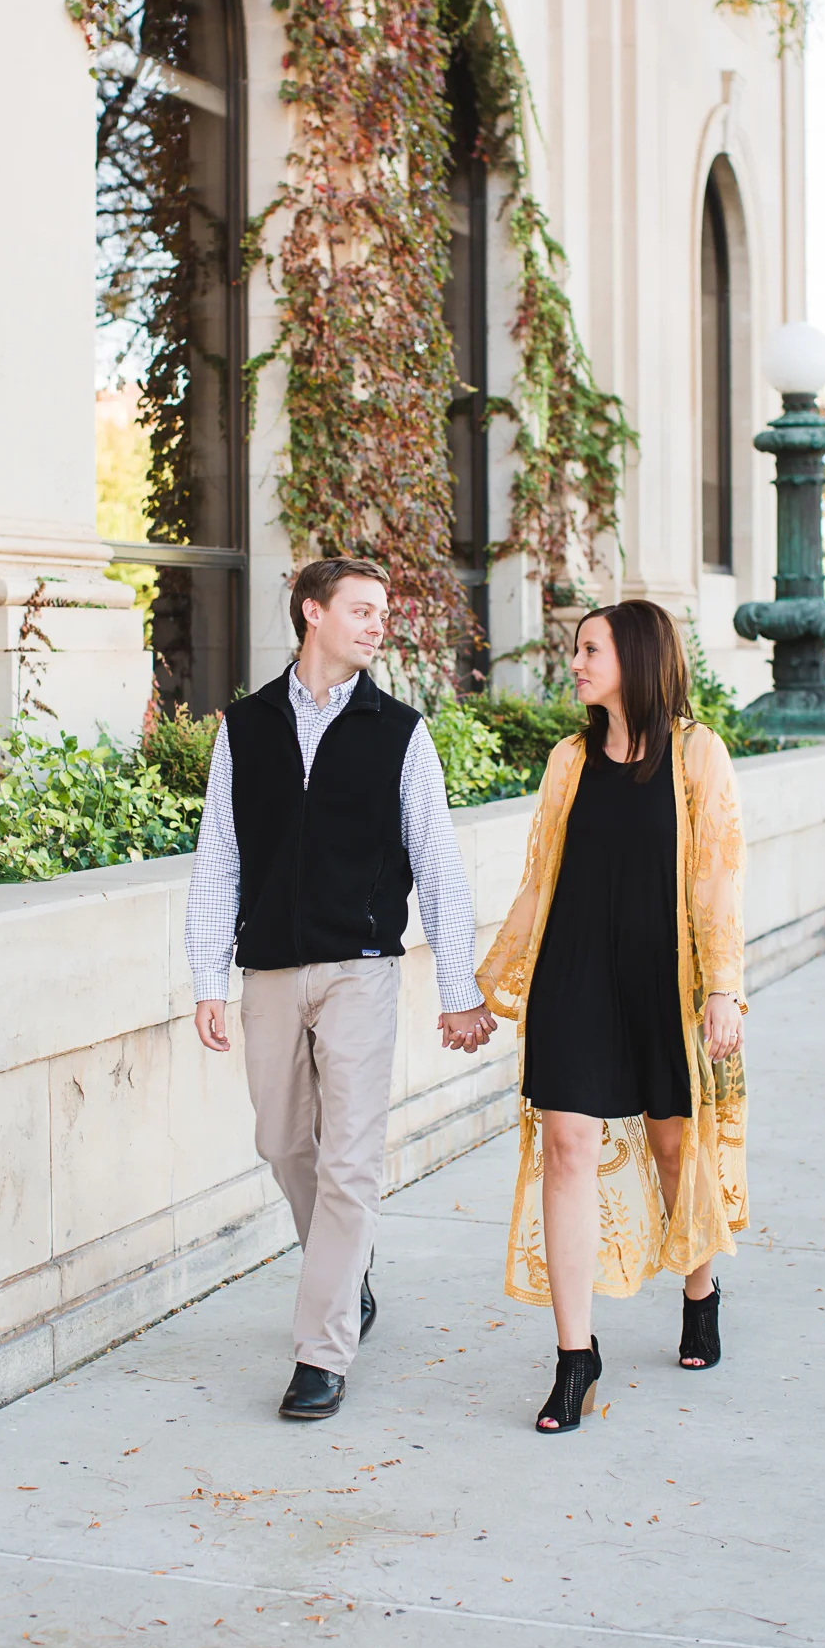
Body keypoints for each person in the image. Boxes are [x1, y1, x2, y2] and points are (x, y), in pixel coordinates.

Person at [186, 557, 495, 1421]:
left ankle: (320, 1353)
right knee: (285, 1147)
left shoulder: (401, 730)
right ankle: (347, 1269)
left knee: (351, 1161)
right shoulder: (243, 729)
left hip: (362, 967)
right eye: (360, 611)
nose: (375, 626)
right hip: (270, 970)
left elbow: (437, 863)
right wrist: (208, 975)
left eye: (381, 614)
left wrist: (457, 987)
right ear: (311, 614)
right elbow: (220, 857)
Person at [477, 600, 748, 1434]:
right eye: (575, 649)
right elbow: (538, 878)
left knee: (672, 1144)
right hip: (574, 977)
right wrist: (494, 980)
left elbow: (716, 880)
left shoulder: (698, 755)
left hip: (661, 985)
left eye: (589, 648)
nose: (577, 662)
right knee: (567, 1146)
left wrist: (721, 989)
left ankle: (697, 1292)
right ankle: (573, 1356)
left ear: (634, 654)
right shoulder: (569, 760)